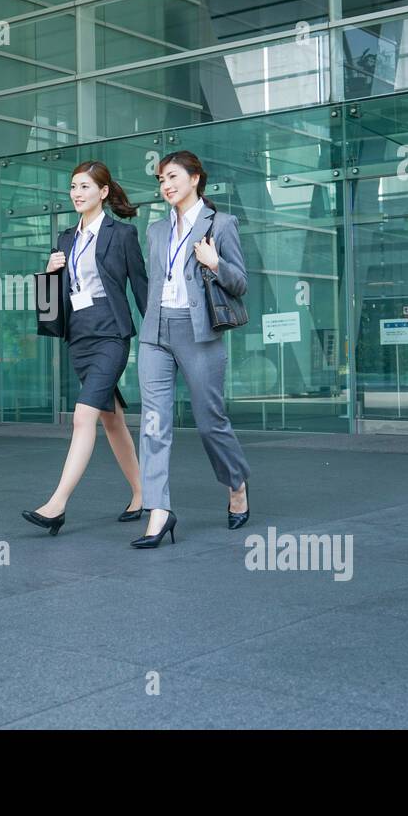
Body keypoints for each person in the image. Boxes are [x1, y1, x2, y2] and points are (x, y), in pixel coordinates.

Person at [22, 161, 148, 536]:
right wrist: (49, 272)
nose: (77, 193)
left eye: (85, 187)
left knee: (83, 416)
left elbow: (141, 286)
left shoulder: (122, 235)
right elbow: (50, 304)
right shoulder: (65, 239)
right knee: (112, 420)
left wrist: (160, 335)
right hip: (79, 336)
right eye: (73, 187)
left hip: (111, 335)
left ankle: (57, 504)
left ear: (103, 192)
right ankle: (143, 493)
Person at [132, 150, 251, 549]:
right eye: (161, 180)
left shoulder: (221, 224)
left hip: (199, 332)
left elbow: (240, 284)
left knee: (209, 421)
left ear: (195, 178)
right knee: (153, 424)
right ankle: (158, 511)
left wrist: (215, 262)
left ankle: (236, 483)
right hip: (156, 332)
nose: (165, 185)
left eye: (172, 177)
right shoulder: (155, 230)